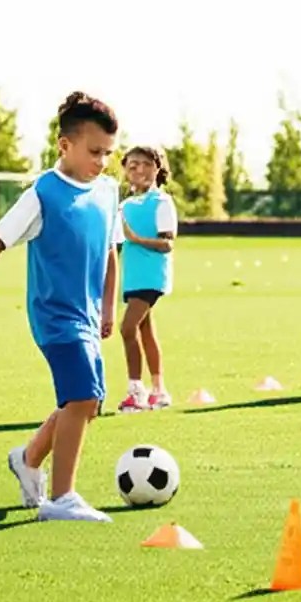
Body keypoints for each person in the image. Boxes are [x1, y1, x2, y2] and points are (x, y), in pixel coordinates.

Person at [0, 92, 120, 523]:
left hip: (90, 318)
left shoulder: (108, 191)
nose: (103, 161)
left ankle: (28, 459)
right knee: (80, 397)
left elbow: (111, 252)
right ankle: (62, 498)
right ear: (64, 145)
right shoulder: (43, 194)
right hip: (55, 316)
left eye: (109, 153)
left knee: (87, 404)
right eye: (95, 152)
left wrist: (109, 307)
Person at [115, 146, 178, 413]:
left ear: (157, 169)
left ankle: (136, 391)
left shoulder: (162, 202)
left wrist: (137, 240)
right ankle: (159, 390)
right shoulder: (125, 206)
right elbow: (117, 244)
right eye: (132, 165)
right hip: (132, 276)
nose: (138, 170)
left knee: (127, 328)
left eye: (144, 164)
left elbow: (167, 243)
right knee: (145, 331)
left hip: (152, 276)